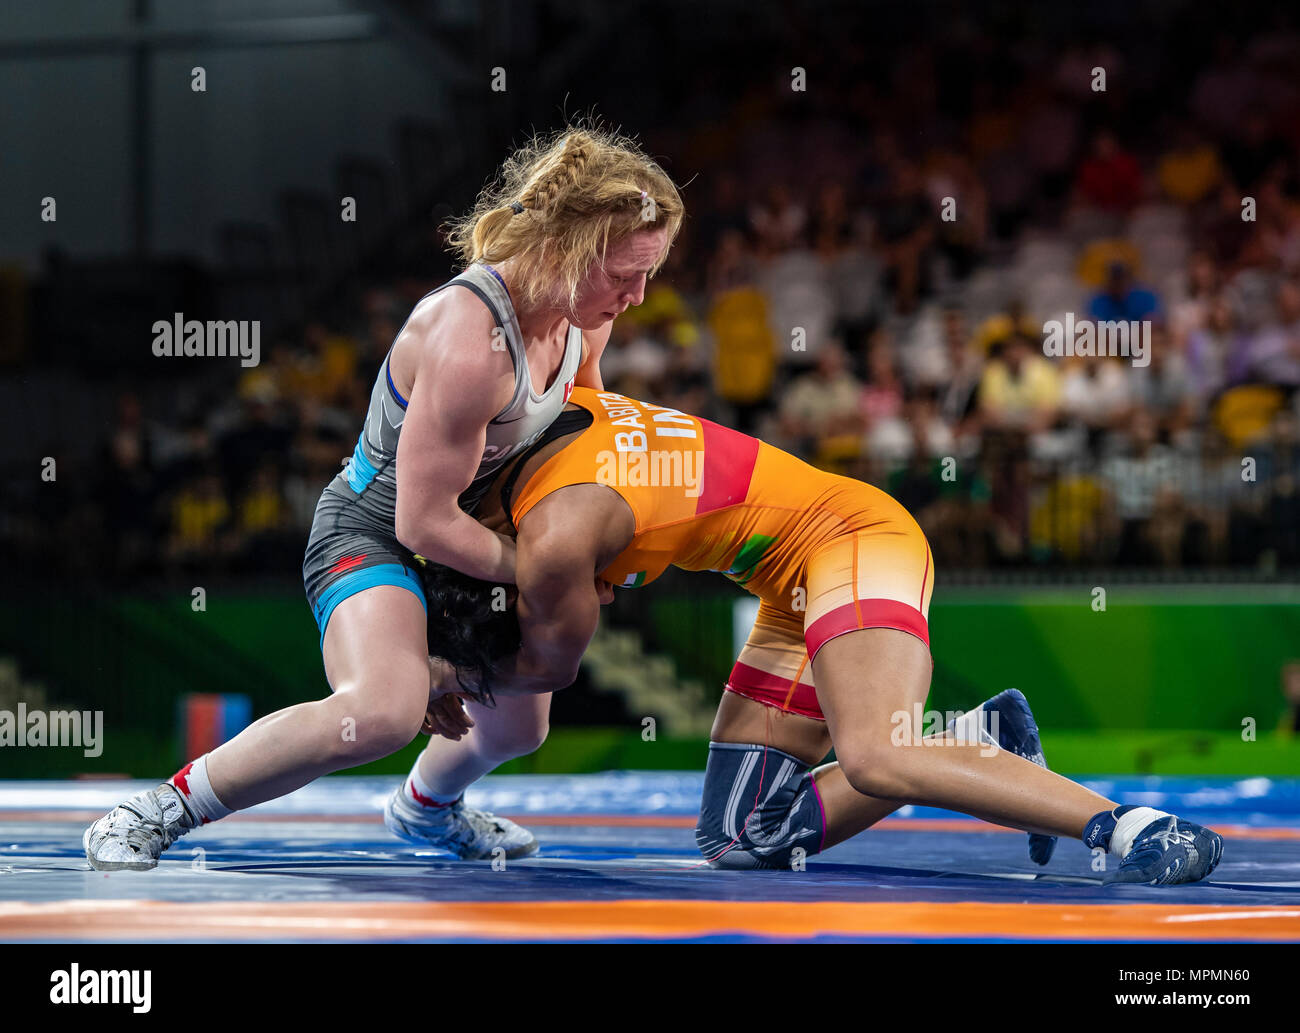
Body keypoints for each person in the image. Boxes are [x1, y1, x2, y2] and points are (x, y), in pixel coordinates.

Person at [83, 126, 685, 870]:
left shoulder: (582, 321)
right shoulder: (469, 342)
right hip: (377, 530)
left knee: (518, 727)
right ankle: (159, 809)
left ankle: (426, 807)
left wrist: (599, 545)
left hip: (473, 531)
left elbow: (578, 441)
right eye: (626, 274)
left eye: (647, 274)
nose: (638, 296)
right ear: (567, 249)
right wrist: (548, 570)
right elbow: (421, 522)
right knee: (380, 711)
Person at [410, 386, 1223, 885]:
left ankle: (1133, 826)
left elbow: (549, 668)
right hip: (790, 581)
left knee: (875, 753)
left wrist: (442, 675)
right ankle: (979, 739)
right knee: (741, 837)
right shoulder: (558, 406)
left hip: (855, 537)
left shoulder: (556, 540)